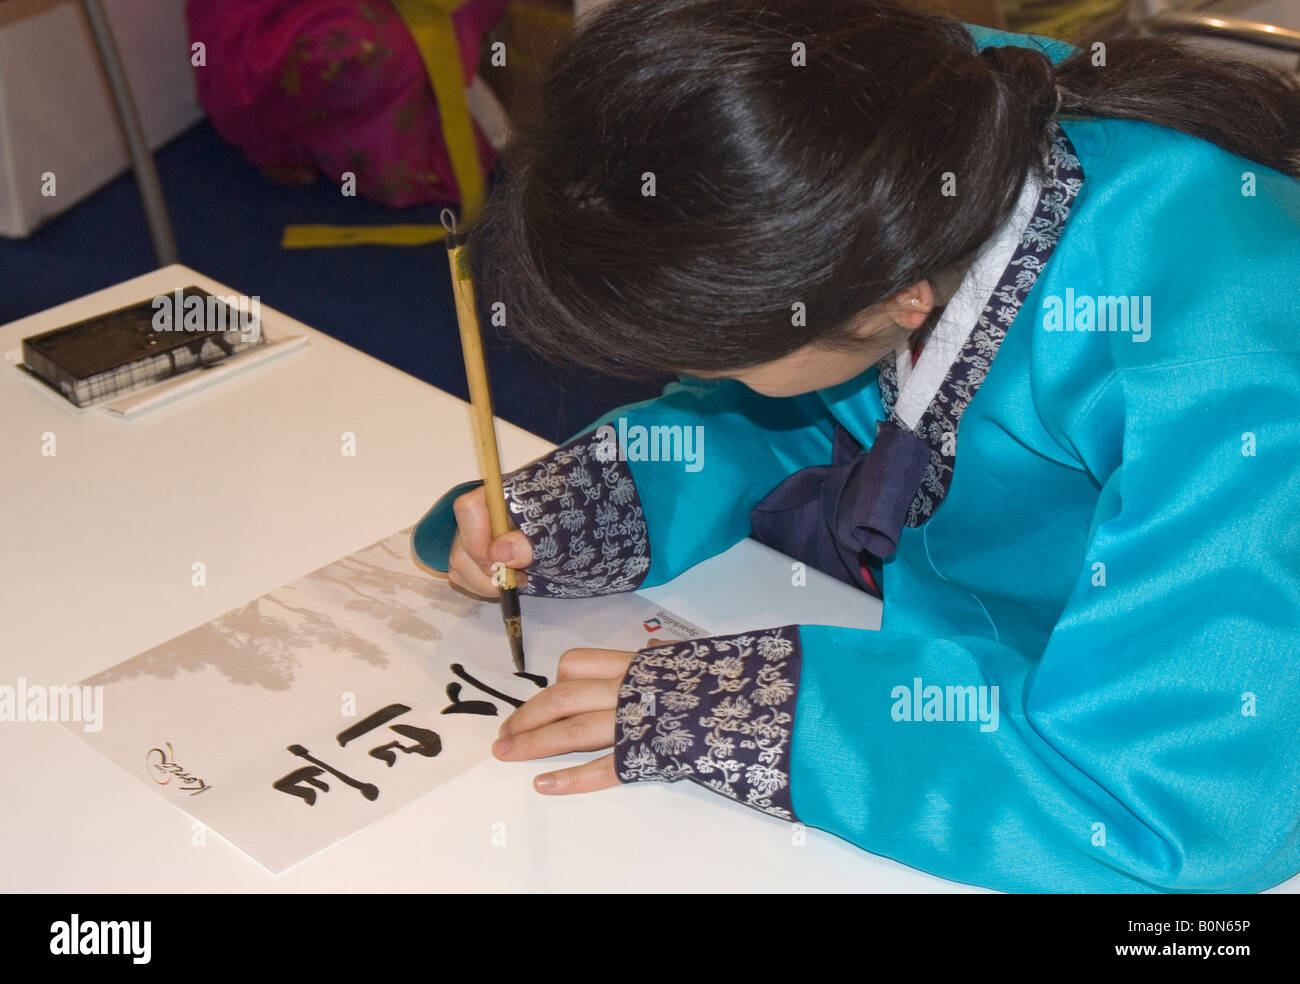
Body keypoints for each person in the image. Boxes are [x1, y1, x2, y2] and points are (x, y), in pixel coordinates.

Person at [412, 0, 1300, 892]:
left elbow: (1167, 808)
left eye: (716, 348)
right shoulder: (886, 144)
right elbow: (828, 412)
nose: (687, 370)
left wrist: (767, 717)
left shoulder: (1221, 365)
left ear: (899, 302)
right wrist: (593, 505)